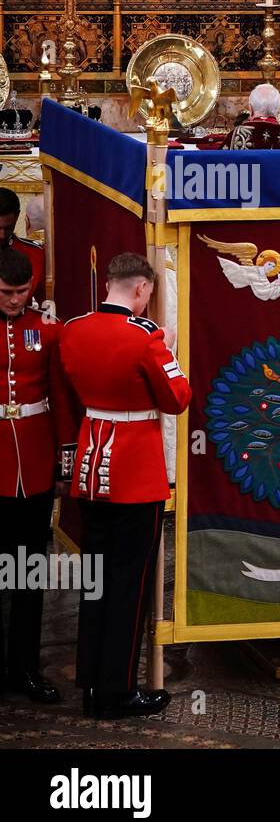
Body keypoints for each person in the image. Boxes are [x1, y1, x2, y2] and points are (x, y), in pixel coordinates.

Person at [60, 253, 191, 719]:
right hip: (134, 469)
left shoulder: (73, 328)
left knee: (95, 579)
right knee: (129, 585)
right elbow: (177, 399)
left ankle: (92, 683)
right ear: (140, 290)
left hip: (91, 461)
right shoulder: (146, 338)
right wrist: (168, 351)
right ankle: (116, 692)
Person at [0, 250, 76, 705]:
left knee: (29, 570)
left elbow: (61, 399)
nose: (13, 301)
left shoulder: (48, 329)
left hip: (34, 458)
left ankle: (25, 668)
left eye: (20, 292)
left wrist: (65, 464)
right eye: (5, 293)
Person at [0, 189, 44, 307]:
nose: (2, 235)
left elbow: (46, 307)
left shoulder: (35, 254)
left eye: (8, 227)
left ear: (17, 216)